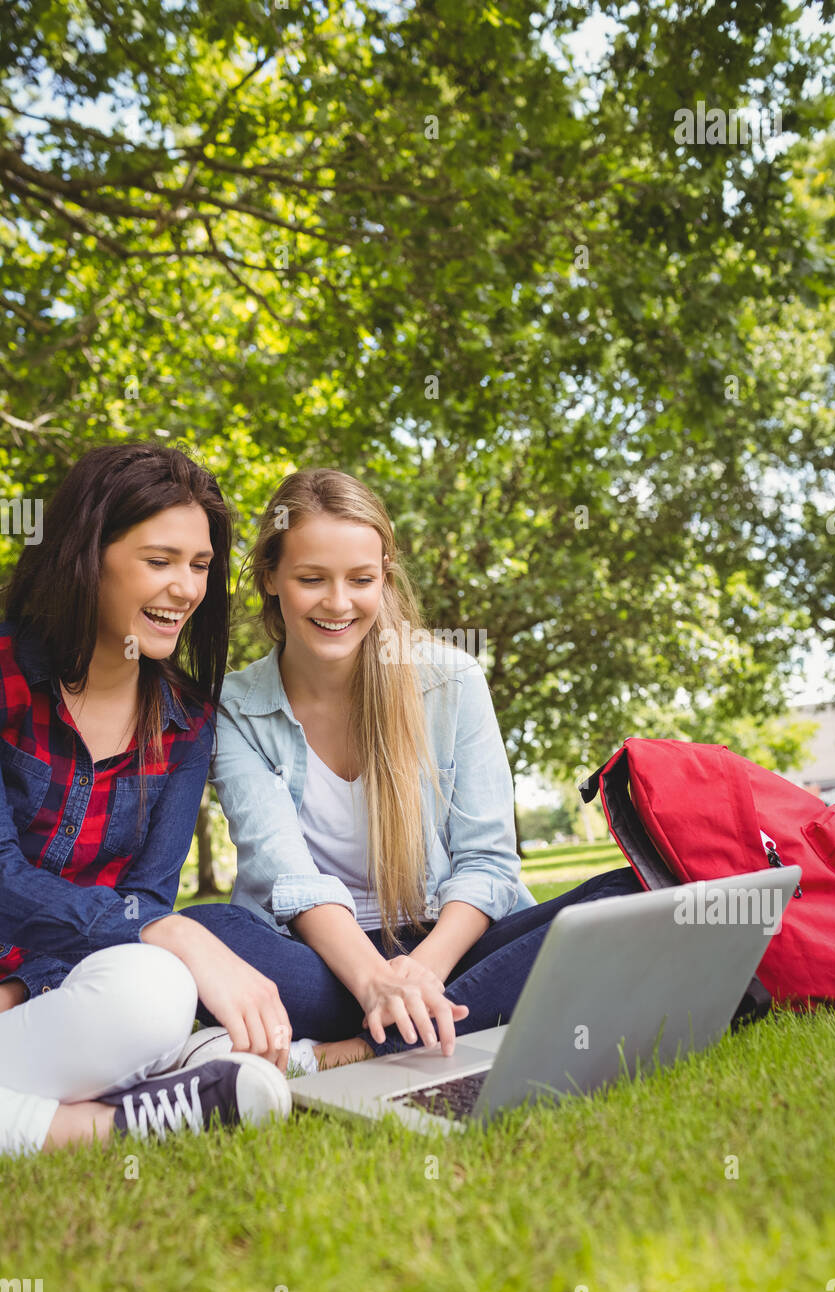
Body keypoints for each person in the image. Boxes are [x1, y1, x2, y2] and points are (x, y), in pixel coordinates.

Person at [185, 468, 642, 1070]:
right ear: (270, 578)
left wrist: (417, 975)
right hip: (316, 961)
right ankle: (467, 1015)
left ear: (385, 576)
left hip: (449, 944)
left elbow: (487, 861)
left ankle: (335, 1053)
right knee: (206, 932)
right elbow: (288, 879)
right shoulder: (235, 709)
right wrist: (376, 981)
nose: (338, 603)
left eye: (361, 579)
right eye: (311, 579)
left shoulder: (451, 681)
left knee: (635, 891)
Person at [0, 442, 292, 1158]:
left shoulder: (187, 722)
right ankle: (107, 1123)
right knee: (168, 952)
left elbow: (145, 902)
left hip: (49, 997)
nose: (187, 589)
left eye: (199, 566)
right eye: (160, 561)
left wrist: (27, 987)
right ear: (86, 555)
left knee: (157, 989)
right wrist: (173, 931)